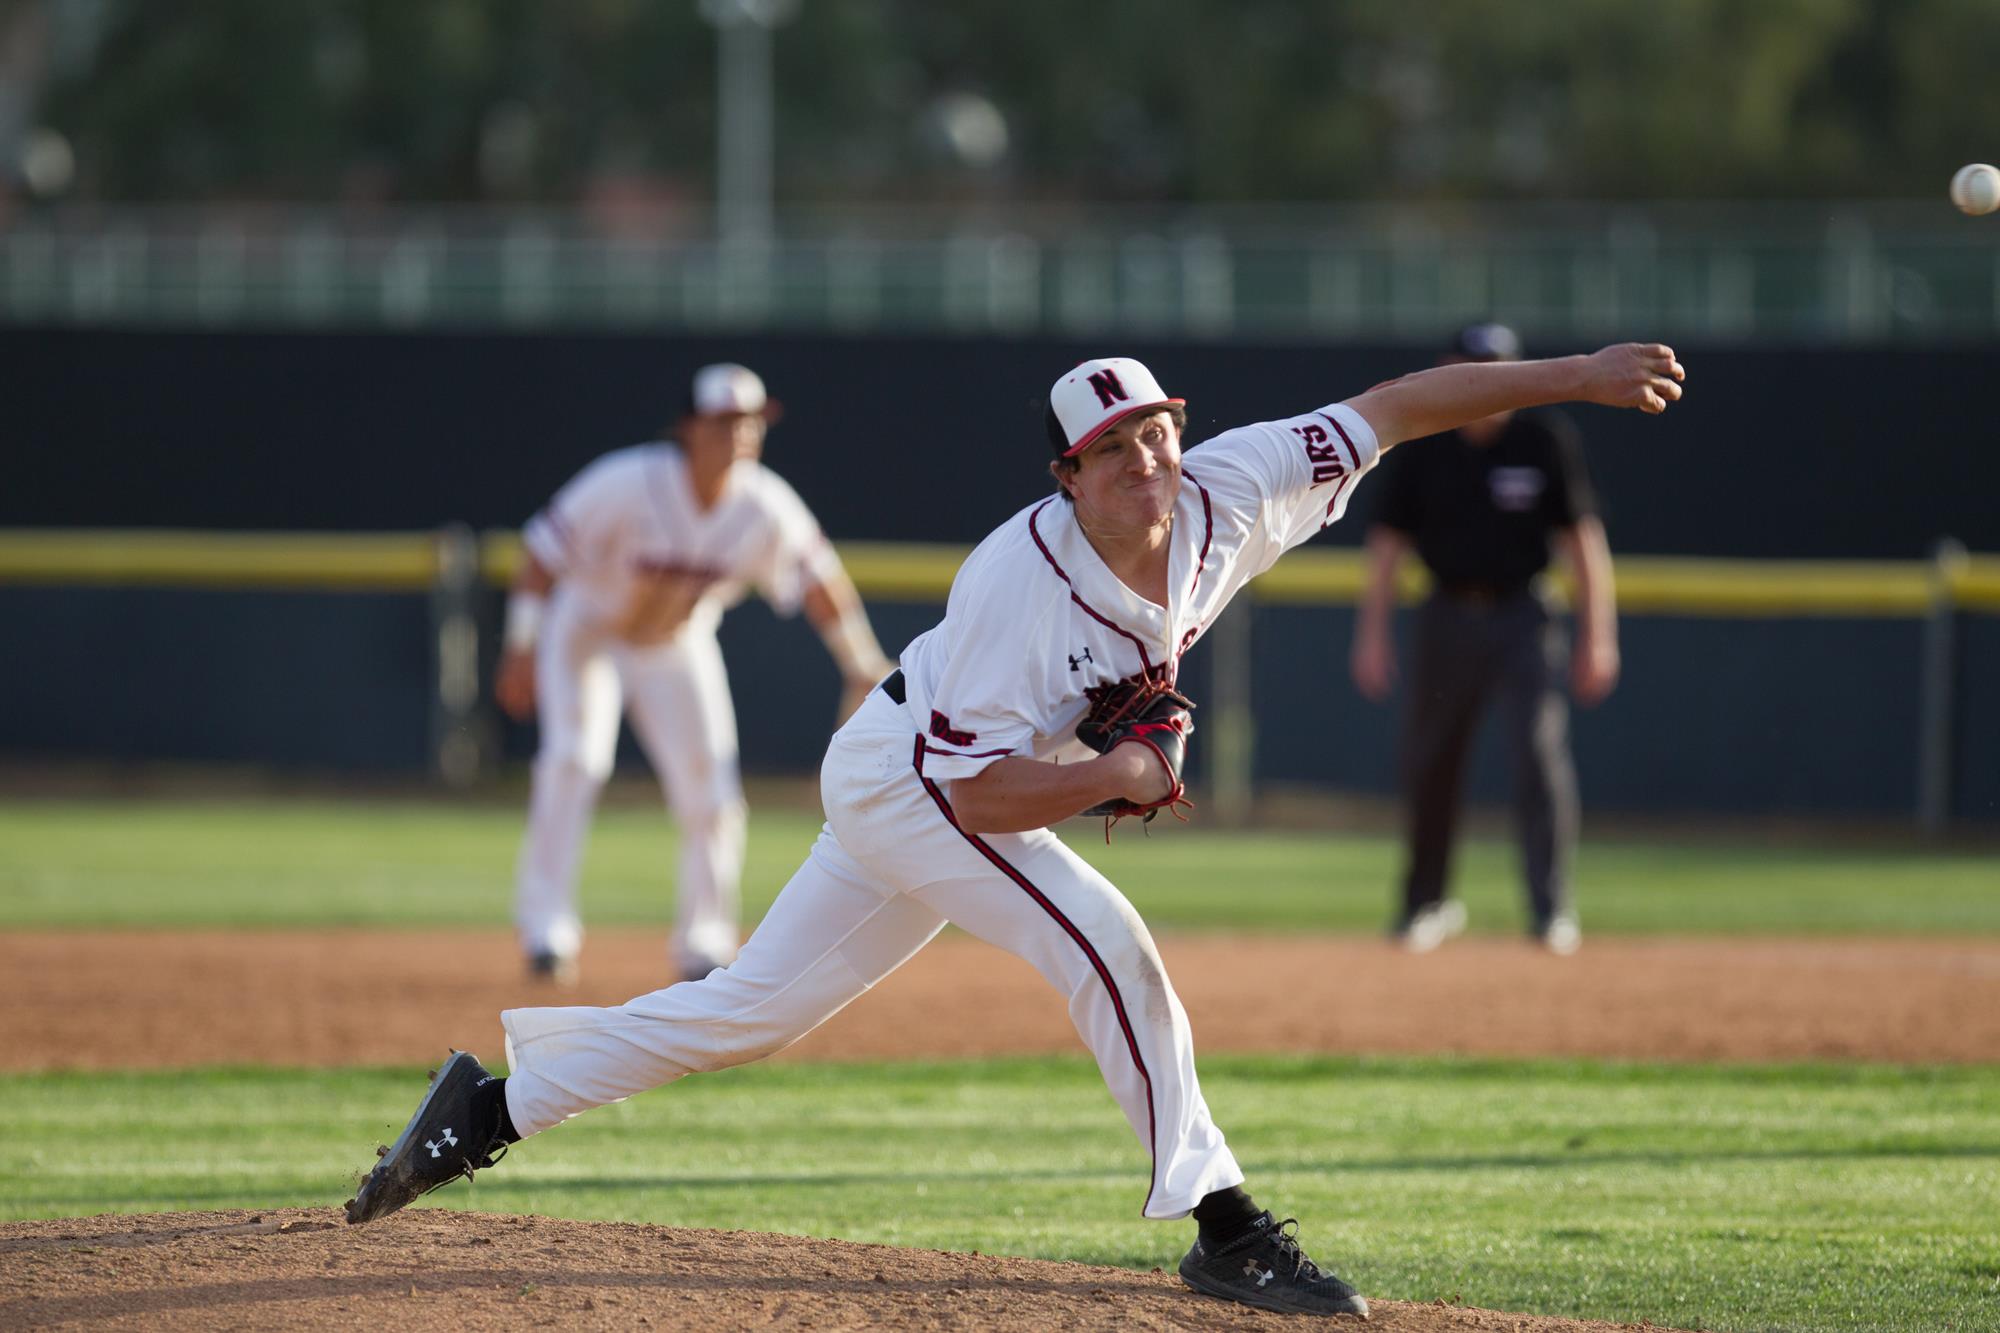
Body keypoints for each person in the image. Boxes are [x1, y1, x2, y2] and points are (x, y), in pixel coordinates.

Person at [349, 343, 1684, 1317]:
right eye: (1113, 451)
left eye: (1156, 431)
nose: (1145, 461)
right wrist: (1120, 775)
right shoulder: (1017, 582)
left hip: (928, 775)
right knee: (1110, 945)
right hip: (914, 779)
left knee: (749, 1009)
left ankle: (485, 1113)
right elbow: (979, 798)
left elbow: (1397, 408)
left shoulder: (1237, 486)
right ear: (1070, 474)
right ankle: (1224, 1223)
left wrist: (1576, 375)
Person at [494, 363, 896, 986]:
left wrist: (859, 659)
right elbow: (542, 556)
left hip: (677, 644)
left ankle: (704, 940)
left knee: (711, 788)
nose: (739, 433)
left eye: (751, 422)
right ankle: (547, 929)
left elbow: (820, 581)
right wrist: (520, 646)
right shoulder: (626, 481)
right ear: (688, 427)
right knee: (574, 762)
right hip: (587, 634)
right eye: (724, 421)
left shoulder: (764, 503)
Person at [1350, 324, 1619, 956]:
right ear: (1448, 370)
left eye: (1496, 367)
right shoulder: (1422, 444)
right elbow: (1387, 547)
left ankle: (1551, 909)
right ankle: (1427, 904)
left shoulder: (1543, 439)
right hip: (1445, 612)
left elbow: (1583, 541)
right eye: (1472, 366)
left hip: (1524, 614)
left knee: (1538, 757)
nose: (1484, 378)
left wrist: (1598, 637)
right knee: (1432, 761)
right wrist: (1371, 635)